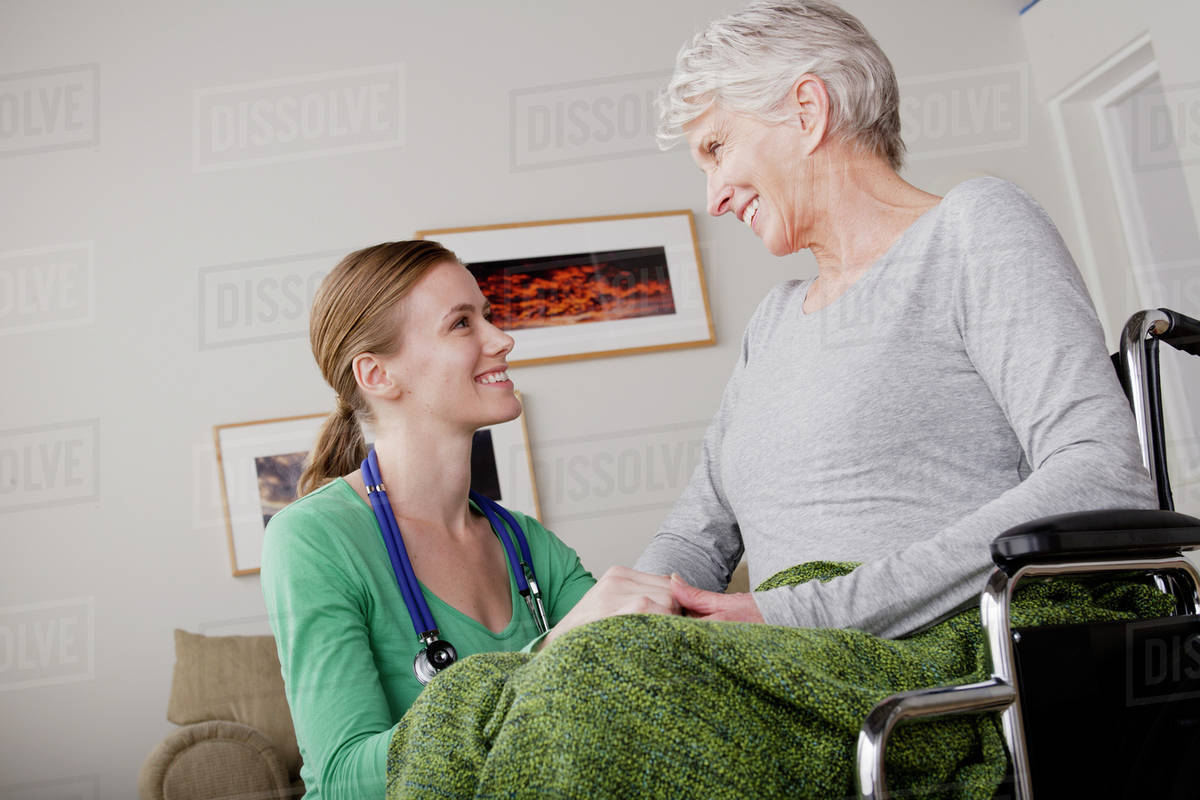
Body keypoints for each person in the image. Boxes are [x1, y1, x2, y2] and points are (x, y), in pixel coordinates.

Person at [634, 0, 1157, 637]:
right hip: (798, 665)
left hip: (928, 659)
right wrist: (628, 614)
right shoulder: (772, 322)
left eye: (717, 148)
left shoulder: (973, 226)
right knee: (504, 687)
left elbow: (1101, 479)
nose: (712, 196)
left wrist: (805, 613)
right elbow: (694, 538)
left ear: (807, 111)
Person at [260, 240, 679, 800]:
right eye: (462, 323)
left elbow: (626, 677)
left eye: (487, 315)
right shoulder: (314, 539)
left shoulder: (526, 544)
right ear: (378, 374)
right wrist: (551, 653)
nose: (502, 339)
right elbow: (342, 780)